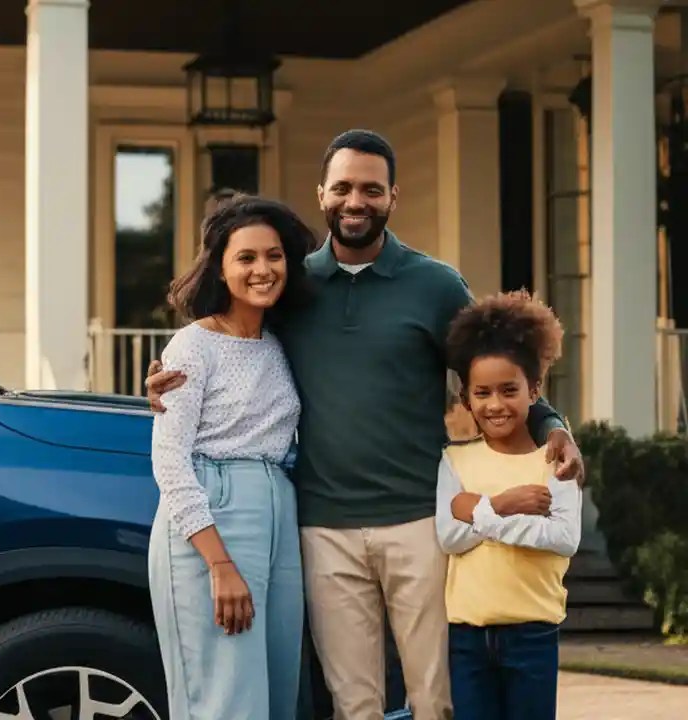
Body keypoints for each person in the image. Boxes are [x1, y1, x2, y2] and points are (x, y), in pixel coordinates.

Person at [145, 129, 585, 720]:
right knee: (355, 705)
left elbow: (496, 372)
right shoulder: (293, 285)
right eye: (344, 187)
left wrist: (552, 422)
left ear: (392, 197)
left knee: (436, 700)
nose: (357, 201)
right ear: (321, 193)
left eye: (371, 190)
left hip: (418, 520)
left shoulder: (435, 285)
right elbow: (230, 346)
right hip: (322, 527)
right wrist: (166, 377)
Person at [147, 194, 315, 720]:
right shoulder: (192, 347)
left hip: (278, 510)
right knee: (224, 701)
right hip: (214, 515)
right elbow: (169, 461)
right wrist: (219, 563)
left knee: (274, 694)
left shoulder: (281, 341)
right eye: (246, 258)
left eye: (274, 255)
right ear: (220, 267)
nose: (262, 269)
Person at [436, 290, 581, 720]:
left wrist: (482, 512)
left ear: (534, 390)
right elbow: (449, 537)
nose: (495, 404)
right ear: (466, 399)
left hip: (533, 634)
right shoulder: (454, 460)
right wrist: (505, 504)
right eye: (482, 393)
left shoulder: (556, 458)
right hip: (465, 636)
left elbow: (562, 537)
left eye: (508, 390)